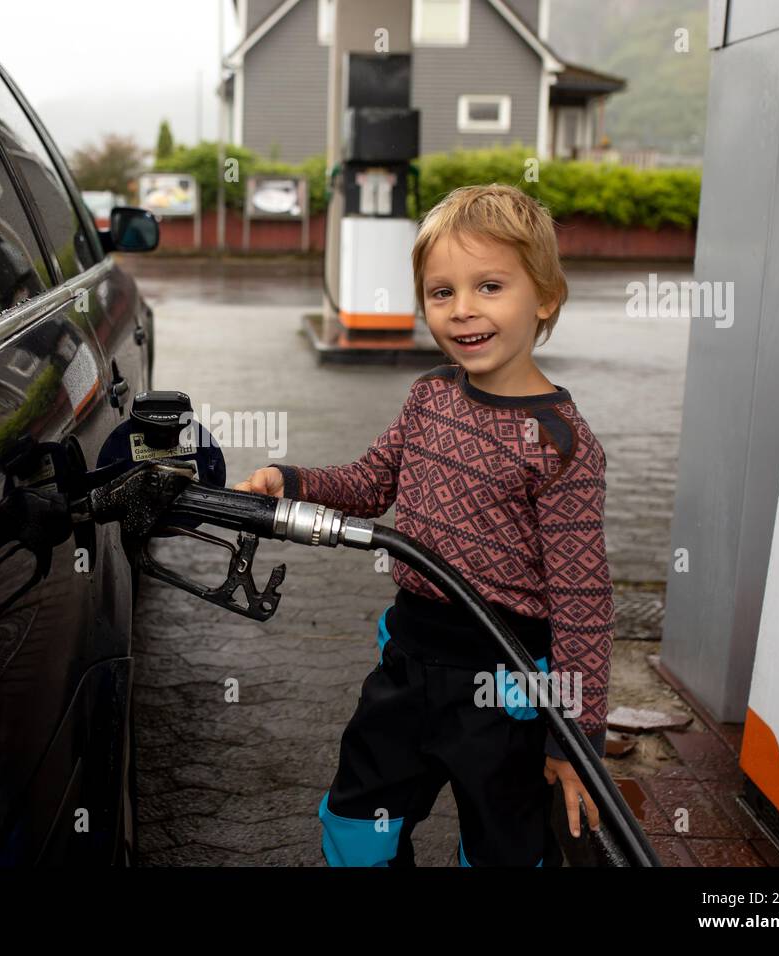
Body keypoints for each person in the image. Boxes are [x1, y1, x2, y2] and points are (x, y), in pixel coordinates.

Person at [234, 183, 613, 867]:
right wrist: (289, 482)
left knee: (504, 850)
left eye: (490, 286)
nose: (463, 310)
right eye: (442, 293)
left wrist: (574, 739)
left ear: (546, 296)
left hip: (508, 687)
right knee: (356, 825)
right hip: (408, 662)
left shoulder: (562, 443)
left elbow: (584, 605)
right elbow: (372, 483)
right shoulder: (430, 394)